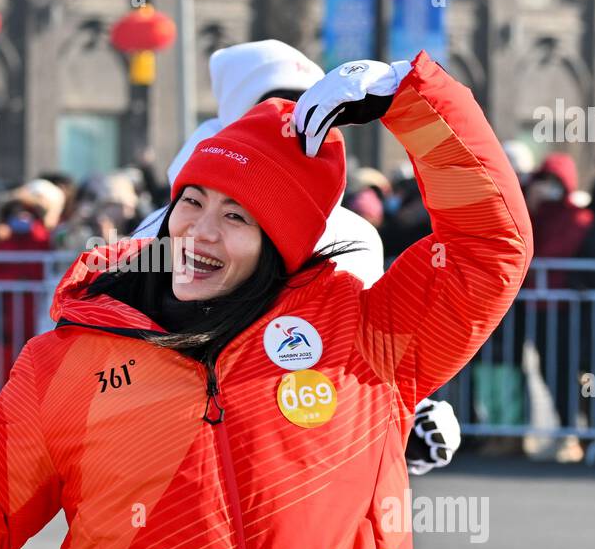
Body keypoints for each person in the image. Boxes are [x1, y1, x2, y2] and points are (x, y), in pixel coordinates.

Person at [0, 52, 533, 549]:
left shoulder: (361, 337)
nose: (201, 234)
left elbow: (490, 246)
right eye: (194, 202)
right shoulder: (70, 361)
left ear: (281, 244)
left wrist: (415, 106)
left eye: (238, 216)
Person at [132, 39, 460, 473]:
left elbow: (364, 357)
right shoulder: (161, 230)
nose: (289, 119)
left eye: (305, 103)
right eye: (269, 103)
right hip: (186, 459)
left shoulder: (352, 233)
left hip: (309, 468)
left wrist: (402, 418)